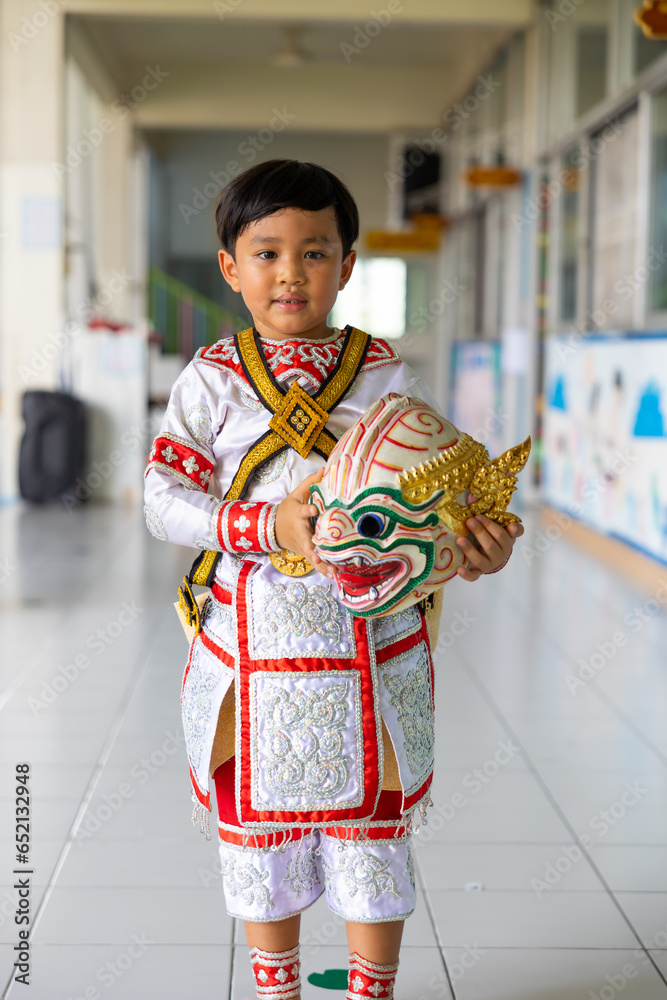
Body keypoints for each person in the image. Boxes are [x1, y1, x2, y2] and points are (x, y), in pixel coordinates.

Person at [143, 159, 522, 1000]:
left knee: (372, 826)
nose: (290, 273)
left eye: (314, 252)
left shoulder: (386, 375)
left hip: (373, 641)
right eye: (267, 252)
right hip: (249, 640)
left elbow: (441, 500)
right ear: (229, 267)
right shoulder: (209, 379)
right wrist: (261, 525)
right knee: (256, 825)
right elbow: (161, 501)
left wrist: (472, 545)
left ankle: (369, 990)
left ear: (347, 264)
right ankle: (274, 988)